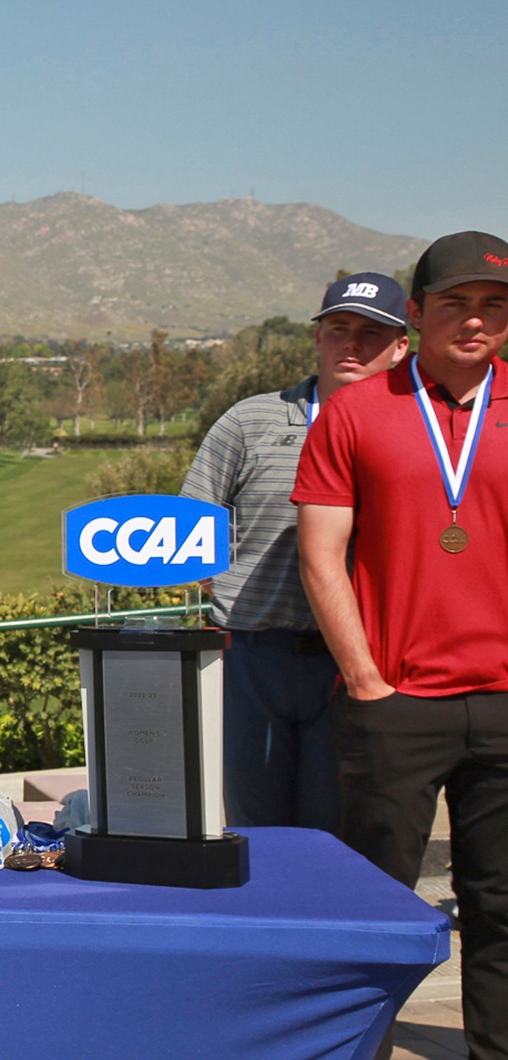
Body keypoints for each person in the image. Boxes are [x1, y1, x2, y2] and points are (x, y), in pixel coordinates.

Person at [294, 230, 508, 1060]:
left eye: (494, 305)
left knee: (500, 910)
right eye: (455, 302)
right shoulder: (357, 410)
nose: (476, 320)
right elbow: (321, 554)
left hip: (504, 699)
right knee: (376, 909)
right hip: (396, 704)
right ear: (415, 314)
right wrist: (366, 679)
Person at [180, 272, 409, 829]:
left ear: (402, 345)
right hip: (255, 655)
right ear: (318, 337)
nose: (351, 345)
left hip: (360, 660)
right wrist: (228, 591)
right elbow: (190, 528)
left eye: (372, 333)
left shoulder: (414, 431)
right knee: (255, 826)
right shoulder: (250, 420)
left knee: (338, 827)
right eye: (338, 329)